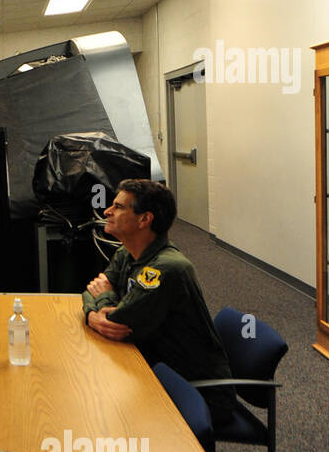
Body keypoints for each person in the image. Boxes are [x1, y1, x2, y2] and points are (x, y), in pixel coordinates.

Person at [81, 179, 235, 425]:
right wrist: (93, 314)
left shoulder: (167, 268)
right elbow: (91, 290)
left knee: (98, 411)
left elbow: (119, 322)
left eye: (119, 207)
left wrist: (103, 303)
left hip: (195, 392)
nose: (107, 212)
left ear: (144, 220)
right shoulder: (127, 252)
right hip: (155, 366)